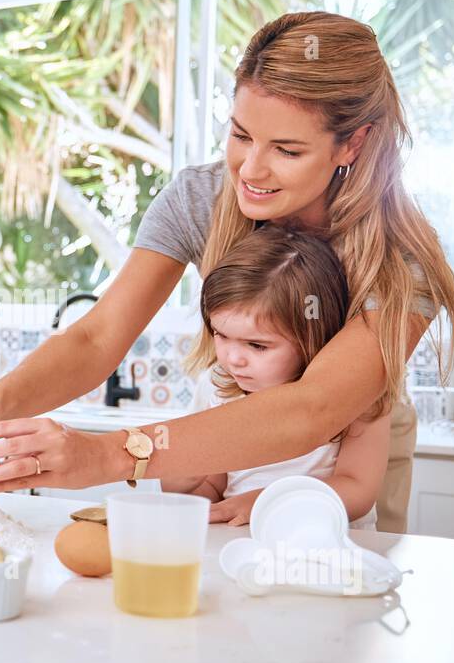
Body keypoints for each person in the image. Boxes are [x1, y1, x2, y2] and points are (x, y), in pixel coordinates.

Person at [0, 11, 454, 524]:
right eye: (241, 135)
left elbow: (312, 408)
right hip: (234, 428)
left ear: (352, 145)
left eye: (287, 150)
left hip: (344, 453)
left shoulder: (402, 256)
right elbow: (97, 337)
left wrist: (106, 455)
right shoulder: (199, 199)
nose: (251, 169)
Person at [161, 225, 386, 529]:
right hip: (242, 544)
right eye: (221, 335)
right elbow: (213, 487)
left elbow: (357, 489)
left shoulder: (359, 394)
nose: (233, 358)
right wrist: (182, 482)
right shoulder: (217, 388)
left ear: (311, 337)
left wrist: (266, 501)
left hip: (330, 548)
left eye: (257, 345)